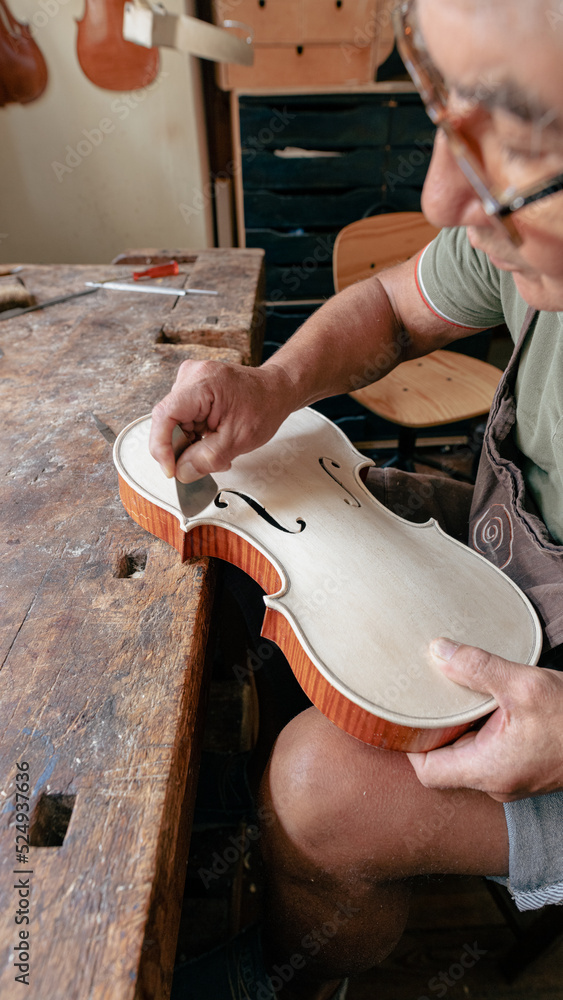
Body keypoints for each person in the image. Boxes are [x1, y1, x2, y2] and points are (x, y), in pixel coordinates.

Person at [151, 1, 563, 996]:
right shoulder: (520, 237)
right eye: (439, 108)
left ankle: (308, 961)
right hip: (523, 568)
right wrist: (269, 384)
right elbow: (387, 305)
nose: (434, 194)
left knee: (314, 789)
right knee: (293, 504)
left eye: (505, 139)